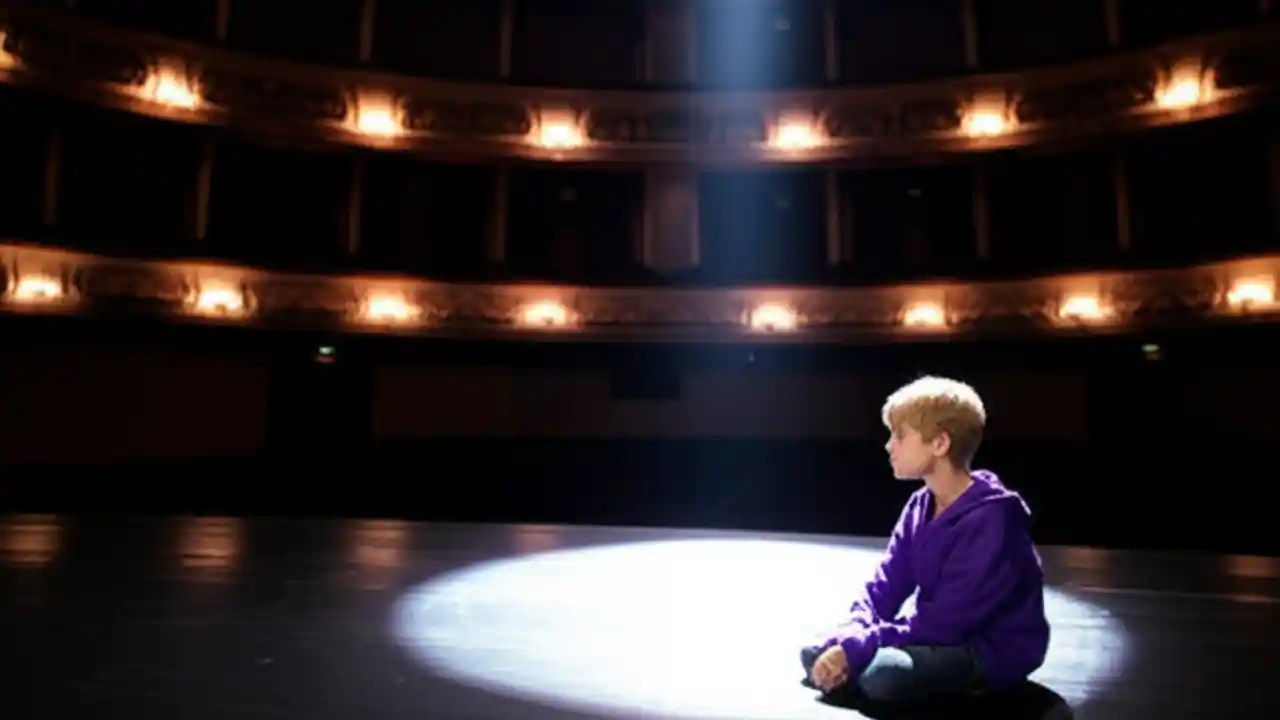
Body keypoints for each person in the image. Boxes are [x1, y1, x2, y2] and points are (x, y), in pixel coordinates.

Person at [802, 375, 1050, 709]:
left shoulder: (992, 520)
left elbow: (946, 623)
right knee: (818, 651)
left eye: (900, 436)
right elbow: (885, 584)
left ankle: (862, 670)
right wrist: (855, 629)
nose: (889, 446)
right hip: (939, 636)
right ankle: (855, 665)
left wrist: (858, 646)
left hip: (985, 648)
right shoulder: (920, 504)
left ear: (940, 443)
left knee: (883, 676)